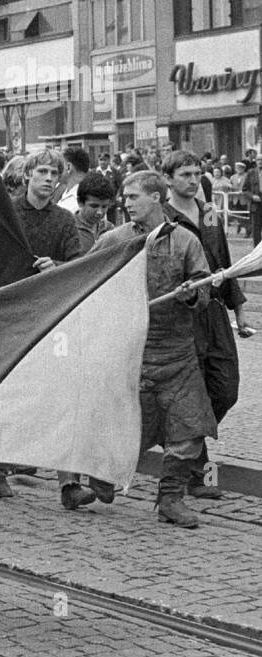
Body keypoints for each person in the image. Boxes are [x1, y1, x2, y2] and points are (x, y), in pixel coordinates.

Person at [94, 172, 216, 528]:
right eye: (125, 197)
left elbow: (204, 292)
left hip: (178, 356)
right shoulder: (112, 240)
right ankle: (101, 475)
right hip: (132, 354)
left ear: (156, 198)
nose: (126, 203)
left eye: (133, 196)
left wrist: (192, 291)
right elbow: (85, 285)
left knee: (189, 432)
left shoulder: (185, 241)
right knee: (127, 429)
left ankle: (170, 499)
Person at [0, 150, 83, 502]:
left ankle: (68, 484)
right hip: (11, 313)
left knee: (61, 394)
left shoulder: (63, 220)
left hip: (51, 315)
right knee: (8, 392)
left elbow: (77, 267)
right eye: (41, 171)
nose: (47, 178)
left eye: (53, 173)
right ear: (27, 175)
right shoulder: (7, 212)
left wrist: (56, 265)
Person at [160, 150, 249, 496]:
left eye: (197, 173)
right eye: (185, 174)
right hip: (183, 317)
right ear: (168, 179)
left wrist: (238, 308)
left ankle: (186, 442)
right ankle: (201, 475)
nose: (193, 180)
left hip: (215, 313)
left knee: (226, 389)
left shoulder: (210, 213)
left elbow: (225, 264)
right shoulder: (162, 218)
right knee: (192, 395)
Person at [73, 172, 116, 254]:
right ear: (80, 202)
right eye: (94, 206)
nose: (100, 212)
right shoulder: (68, 229)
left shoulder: (110, 229)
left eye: (104, 207)